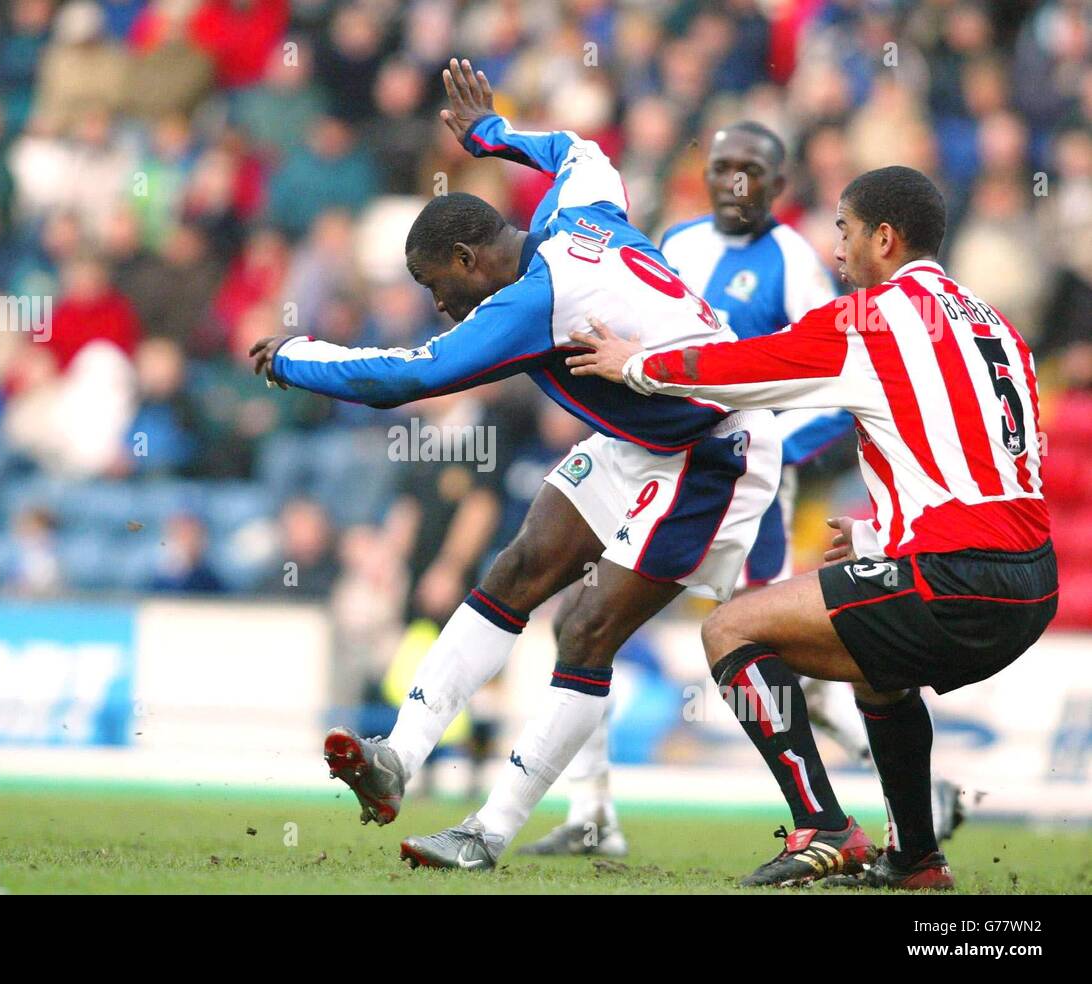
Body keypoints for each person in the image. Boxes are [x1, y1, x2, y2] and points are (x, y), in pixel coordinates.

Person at [251, 59, 783, 870]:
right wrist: (492, 135)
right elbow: (579, 148)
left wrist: (296, 356)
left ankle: (488, 830)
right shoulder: (581, 209)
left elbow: (408, 379)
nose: (440, 306)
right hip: (645, 435)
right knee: (520, 566)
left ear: (468, 259)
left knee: (585, 627)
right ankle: (399, 755)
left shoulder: (531, 303)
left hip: (713, 449)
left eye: (437, 286)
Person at [567, 165, 1056, 889]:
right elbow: (994, 463)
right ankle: (918, 862)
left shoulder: (871, 318)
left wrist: (632, 363)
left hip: (957, 579)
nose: (836, 248)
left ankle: (821, 827)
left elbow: (741, 368)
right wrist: (874, 537)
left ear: (883, 239)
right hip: (1034, 584)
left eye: (844, 230)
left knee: (730, 629)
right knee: (877, 674)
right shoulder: (996, 326)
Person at [522, 123, 962, 858]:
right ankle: (592, 811)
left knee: (772, 652)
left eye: (751, 170)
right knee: (580, 620)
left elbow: (838, 381)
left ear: (777, 183)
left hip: (747, 490)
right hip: (667, 472)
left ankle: (906, 799)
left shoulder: (796, 260)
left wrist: (773, 450)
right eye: (723, 167)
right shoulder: (678, 245)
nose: (734, 182)